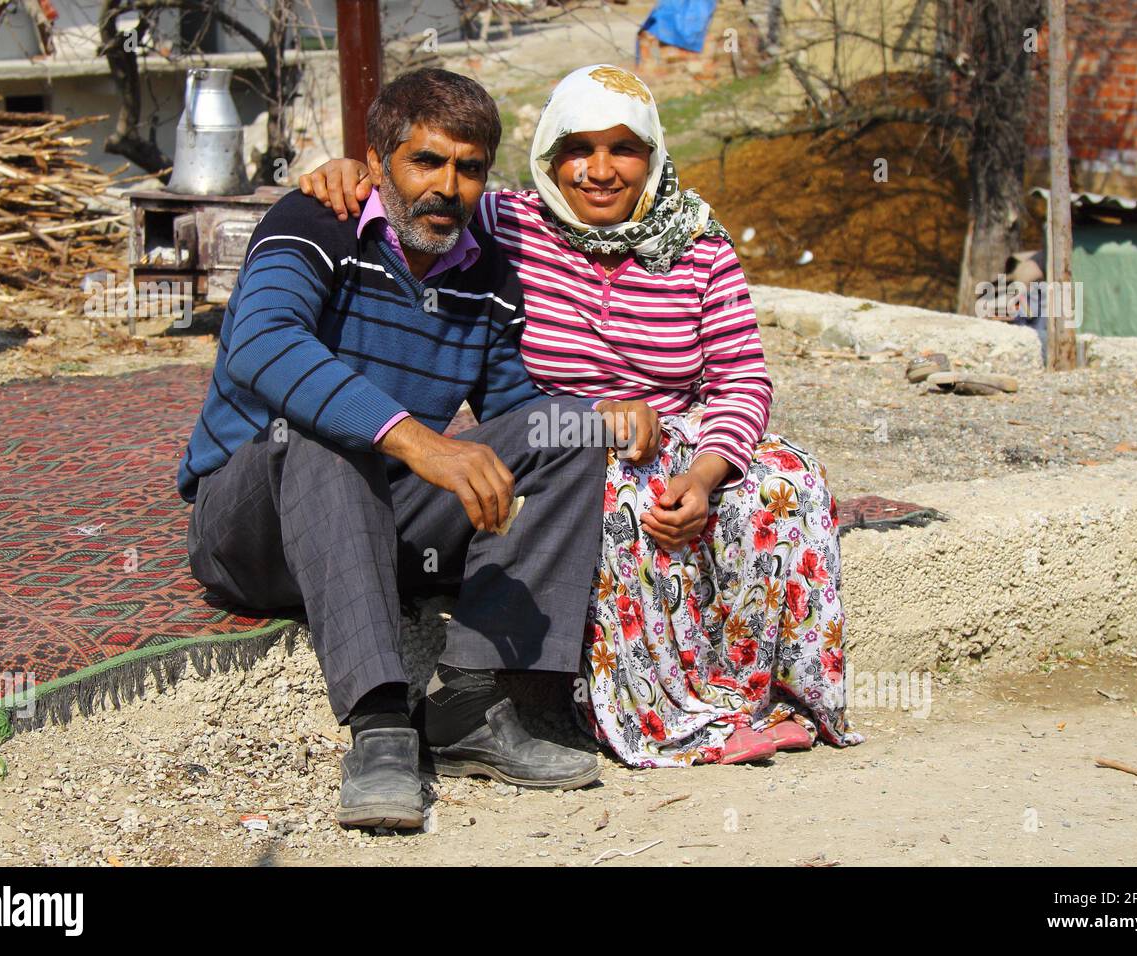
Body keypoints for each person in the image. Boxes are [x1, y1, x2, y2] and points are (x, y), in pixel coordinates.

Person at [302, 63, 863, 768]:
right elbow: (419, 191)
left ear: (652, 155)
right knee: (622, 499)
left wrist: (709, 471)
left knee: (792, 483)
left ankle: (758, 697)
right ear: (549, 157)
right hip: (565, 437)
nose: (600, 171)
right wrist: (350, 169)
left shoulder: (697, 241)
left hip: (683, 437)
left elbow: (742, 377)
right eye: (578, 149)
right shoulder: (506, 221)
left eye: (623, 148)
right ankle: (654, 718)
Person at [179, 69, 607, 831]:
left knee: (566, 430)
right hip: (254, 528)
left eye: (469, 168)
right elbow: (262, 343)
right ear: (375, 164)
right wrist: (420, 443)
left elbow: (513, 415)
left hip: (381, 519)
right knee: (320, 425)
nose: (447, 186)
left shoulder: (488, 272)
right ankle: (380, 730)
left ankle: (467, 703)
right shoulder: (313, 222)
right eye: (426, 162)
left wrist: (616, 428)